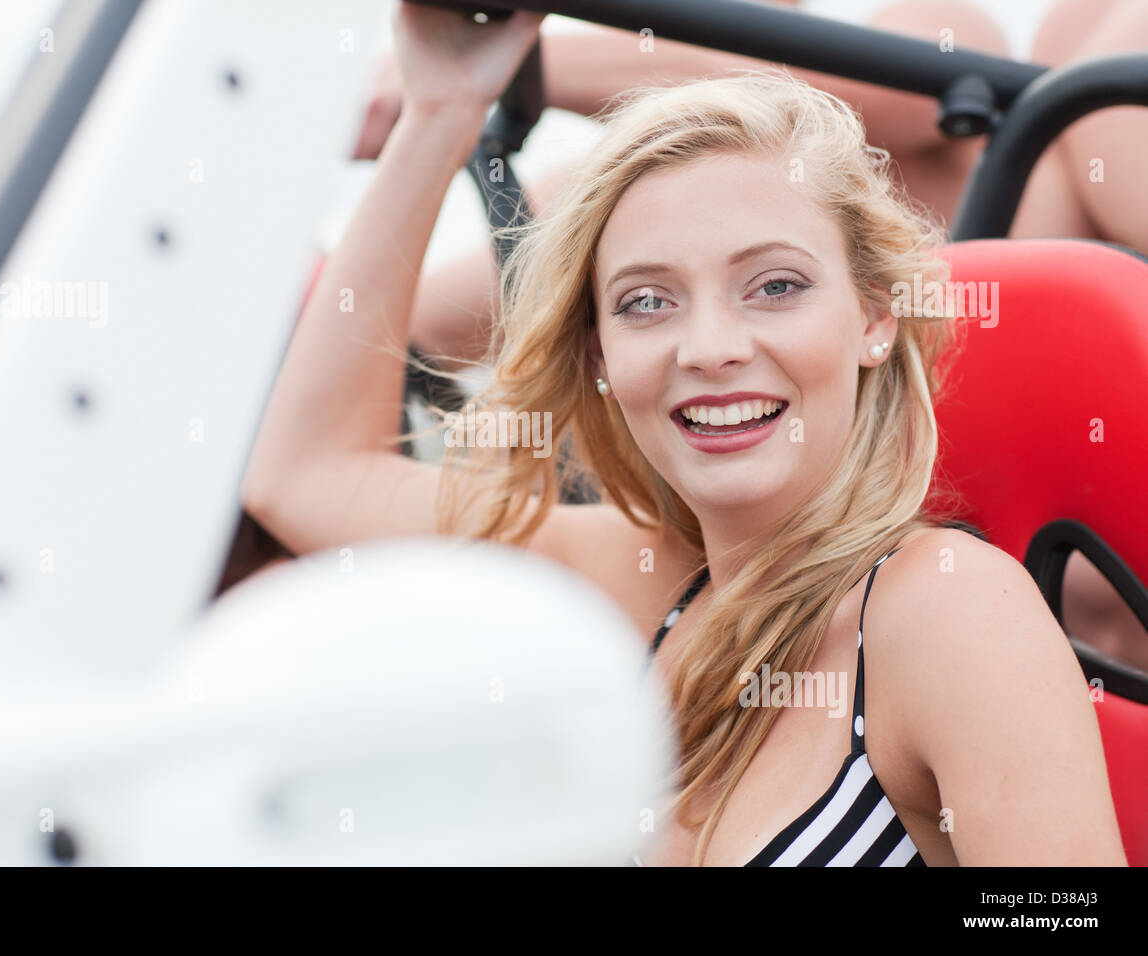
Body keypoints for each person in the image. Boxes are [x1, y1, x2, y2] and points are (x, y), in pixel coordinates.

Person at [240, 2, 1128, 865]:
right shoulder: (641, 586)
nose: (707, 349)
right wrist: (441, 108)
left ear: (875, 318)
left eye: (775, 286)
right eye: (646, 302)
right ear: (600, 354)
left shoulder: (947, 610)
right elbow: (308, 475)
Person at [346, 0, 1148, 370]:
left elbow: (878, 93)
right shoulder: (638, 197)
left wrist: (522, 68)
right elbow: (402, 328)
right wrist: (435, 114)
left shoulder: (961, 49)